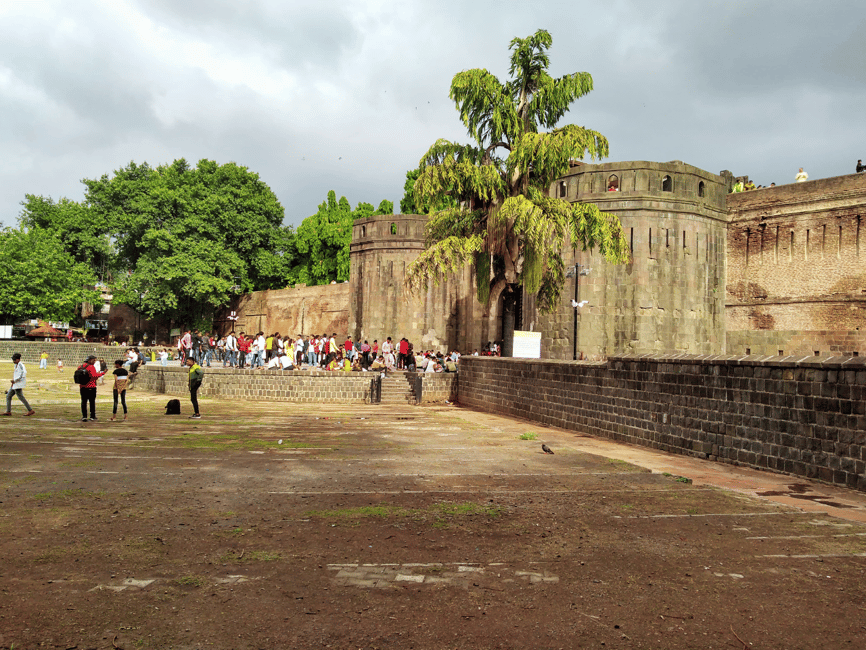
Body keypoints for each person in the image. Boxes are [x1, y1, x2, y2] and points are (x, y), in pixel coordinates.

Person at [78, 355, 105, 422]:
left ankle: (84, 416)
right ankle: (92, 416)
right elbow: (94, 376)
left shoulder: (80, 366)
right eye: (94, 360)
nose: (95, 362)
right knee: (92, 402)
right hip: (91, 386)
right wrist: (102, 373)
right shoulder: (91, 367)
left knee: (83, 402)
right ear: (90, 360)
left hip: (82, 387)